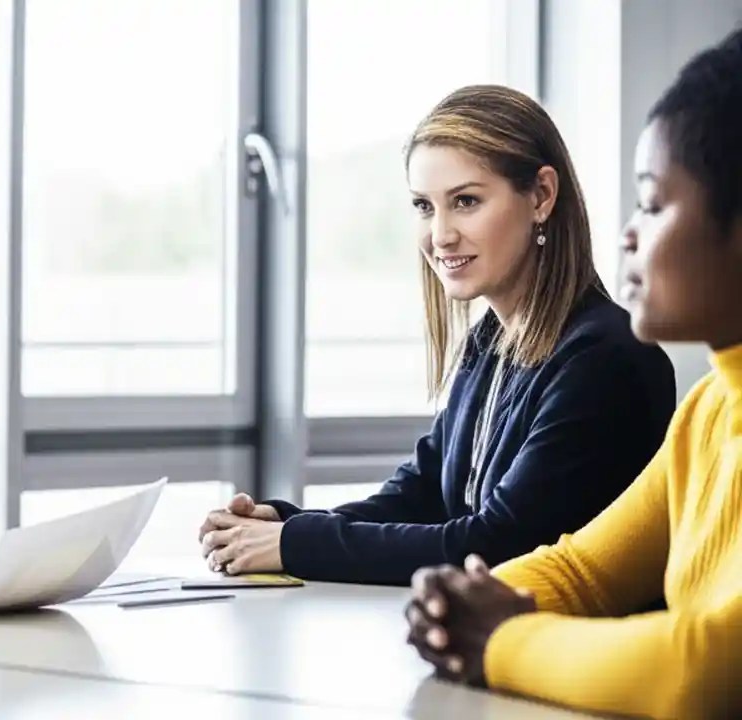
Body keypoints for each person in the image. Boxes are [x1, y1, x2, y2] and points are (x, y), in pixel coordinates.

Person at [199, 85, 676, 585]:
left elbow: (495, 546)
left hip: (574, 657)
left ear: (541, 196)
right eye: (424, 207)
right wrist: (285, 524)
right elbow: (422, 494)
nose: (440, 235)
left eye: (465, 201)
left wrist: (294, 545)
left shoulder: (603, 358)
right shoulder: (491, 341)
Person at [406, 28, 742, 719]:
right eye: (425, 206)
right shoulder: (711, 408)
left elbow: (701, 670)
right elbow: (582, 569)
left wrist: (496, 638)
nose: (626, 233)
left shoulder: (604, 355)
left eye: (651, 203)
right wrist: (457, 605)